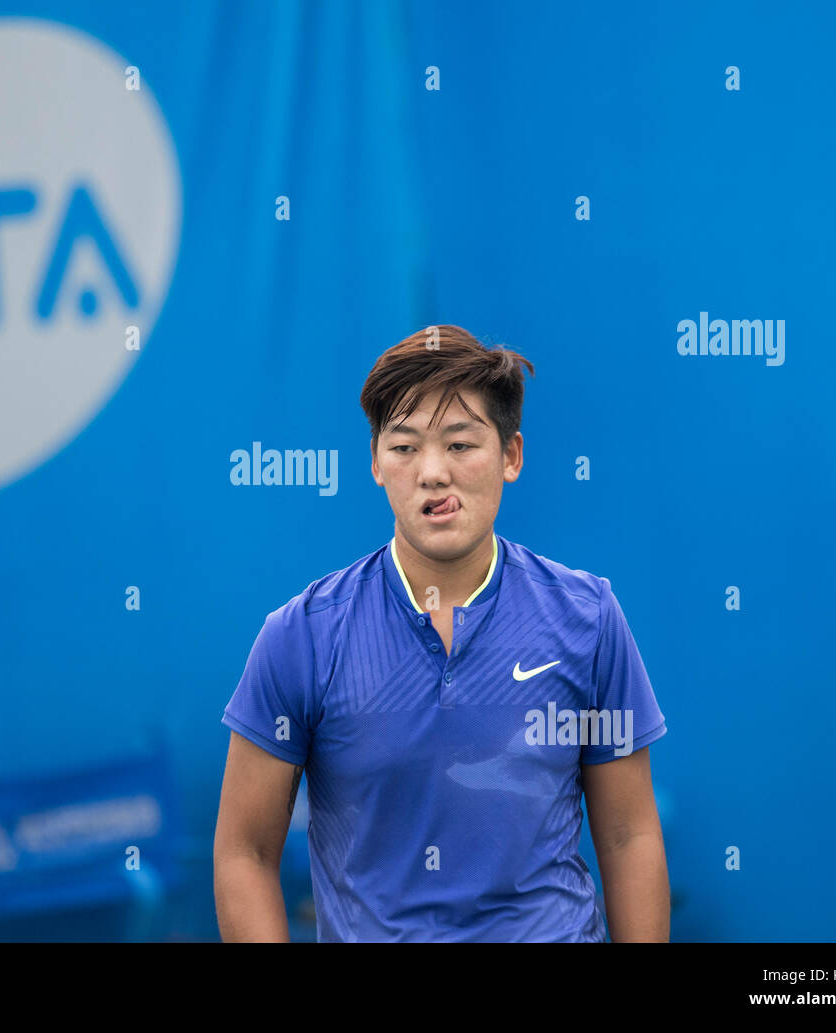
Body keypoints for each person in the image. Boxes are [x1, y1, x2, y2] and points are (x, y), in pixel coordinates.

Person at [213, 325, 669, 942]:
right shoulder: (301, 636)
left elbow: (627, 834)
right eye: (404, 448)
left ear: (511, 455)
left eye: (460, 444)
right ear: (375, 462)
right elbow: (245, 854)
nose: (433, 473)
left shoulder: (587, 617)